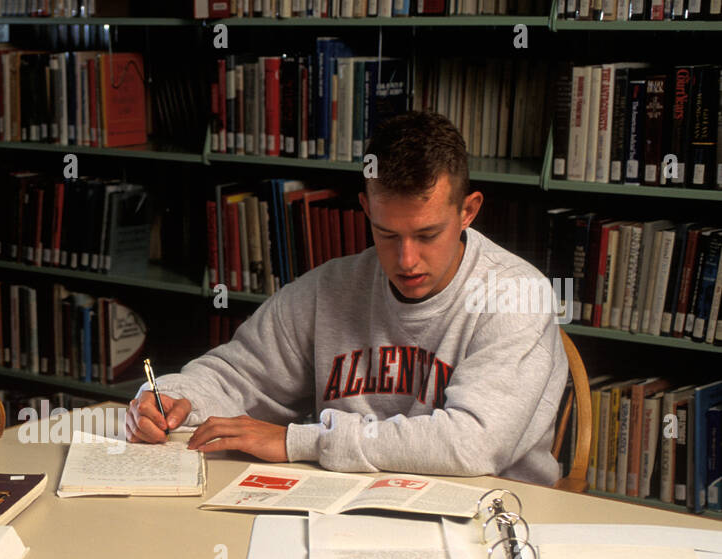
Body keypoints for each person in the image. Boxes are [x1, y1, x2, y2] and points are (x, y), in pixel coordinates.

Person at [125, 110, 569, 486]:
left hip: (489, 514)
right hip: (343, 503)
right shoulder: (328, 289)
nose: (406, 259)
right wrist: (172, 400)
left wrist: (296, 440)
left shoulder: (517, 296)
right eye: (387, 233)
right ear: (366, 208)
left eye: (427, 234)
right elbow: (234, 378)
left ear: (468, 211)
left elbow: (473, 445)